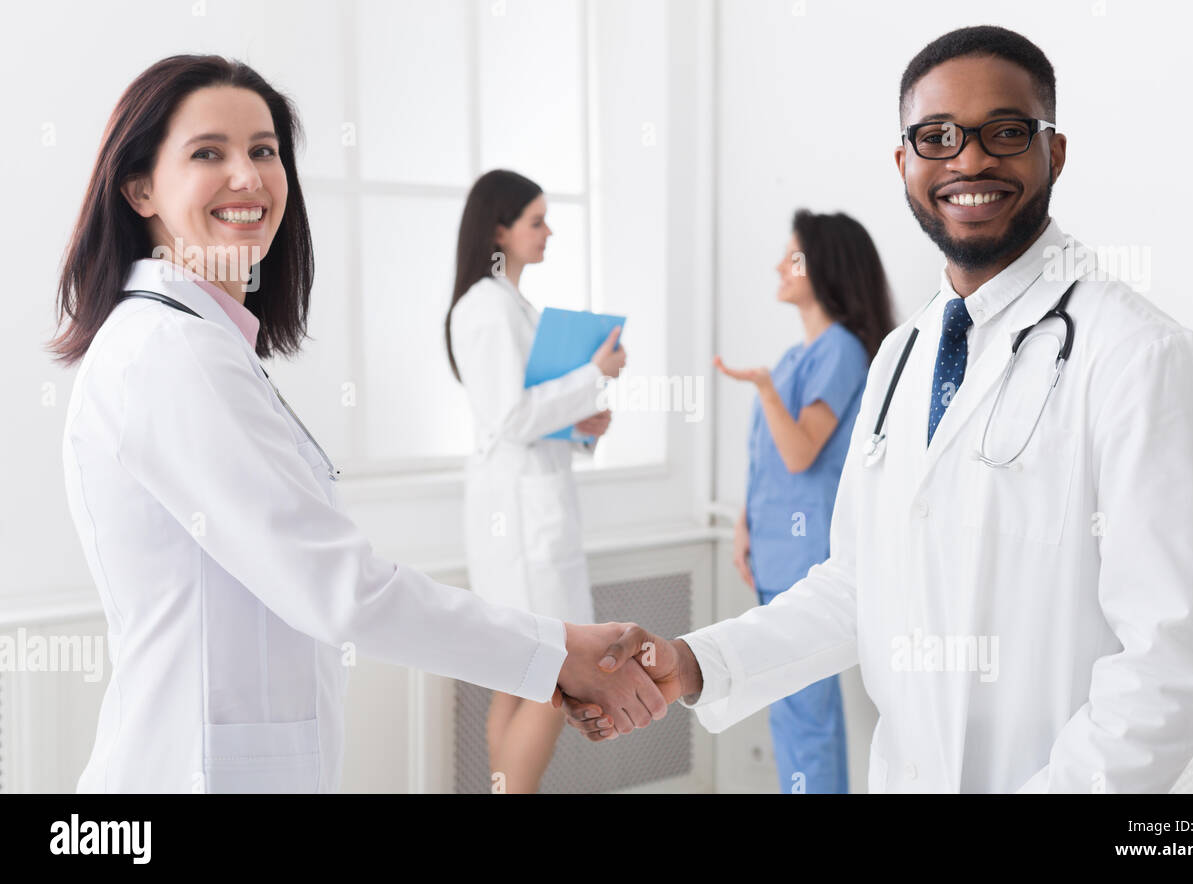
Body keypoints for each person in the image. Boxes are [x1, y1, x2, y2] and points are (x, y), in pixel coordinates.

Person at [564, 25, 1193, 794]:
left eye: (1005, 133)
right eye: (937, 137)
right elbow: (855, 586)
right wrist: (694, 663)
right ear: (904, 162)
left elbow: (1172, 660)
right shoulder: (901, 355)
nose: (969, 159)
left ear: (1055, 152)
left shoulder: (1141, 355)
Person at [48, 55, 662, 794]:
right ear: (140, 186)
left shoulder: (202, 344)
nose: (247, 176)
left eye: (265, 151)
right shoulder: (167, 352)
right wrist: (554, 648)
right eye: (208, 152)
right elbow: (338, 588)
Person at [446, 169, 624, 793]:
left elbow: (528, 414)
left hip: (529, 505)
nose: (549, 231)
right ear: (500, 229)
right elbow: (510, 416)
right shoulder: (486, 309)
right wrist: (591, 375)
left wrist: (582, 421)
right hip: (518, 523)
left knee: (518, 679)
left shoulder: (515, 306)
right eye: (536, 221)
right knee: (550, 676)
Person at [716, 209, 893, 793]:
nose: (777, 266)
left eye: (793, 256)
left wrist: (764, 389)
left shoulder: (840, 351)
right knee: (785, 704)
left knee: (805, 709)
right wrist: (744, 526)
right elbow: (766, 458)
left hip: (806, 552)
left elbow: (799, 453)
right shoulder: (797, 357)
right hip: (773, 551)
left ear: (826, 267)